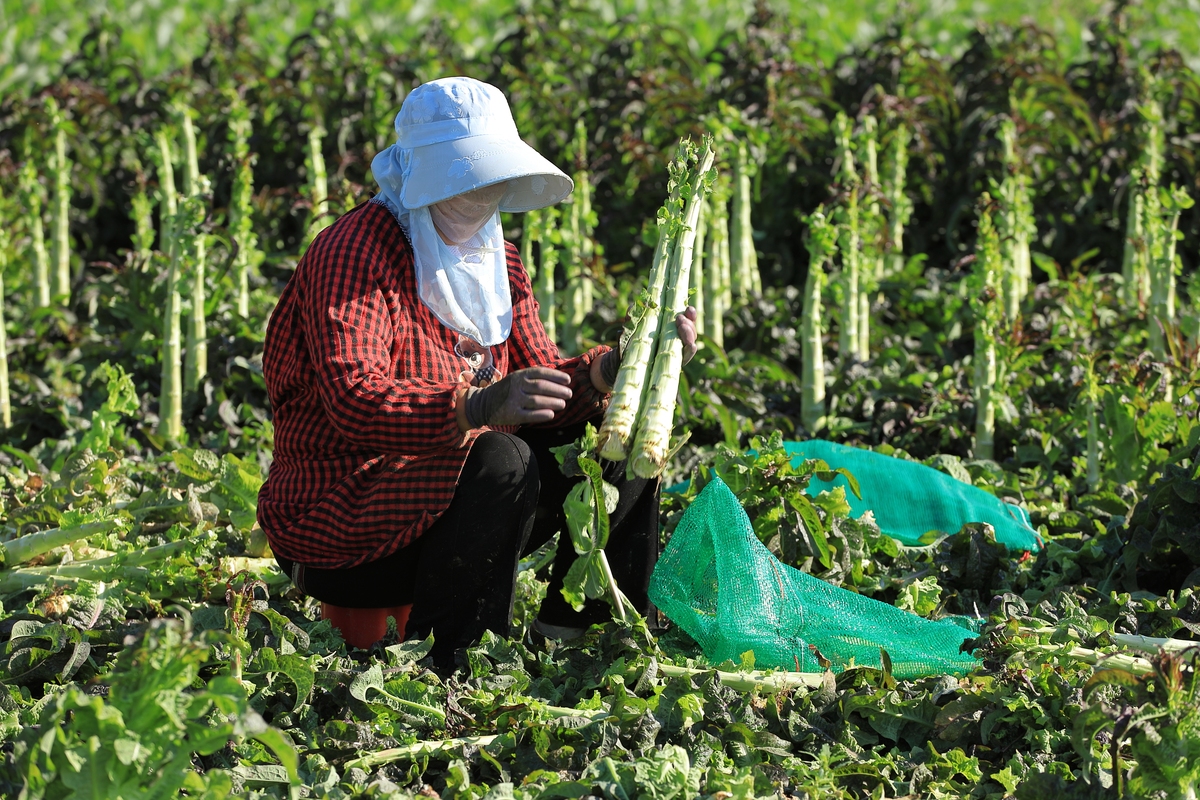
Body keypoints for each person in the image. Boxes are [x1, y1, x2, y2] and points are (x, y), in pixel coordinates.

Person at [257, 76, 697, 670]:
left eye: (488, 177)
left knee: (617, 444)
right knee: (499, 456)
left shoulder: (499, 260)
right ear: (423, 172)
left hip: (448, 511)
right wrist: (475, 407)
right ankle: (456, 664)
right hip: (346, 518)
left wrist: (611, 373)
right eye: (464, 176)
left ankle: (580, 641)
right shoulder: (354, 251)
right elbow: (354, 400)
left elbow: (541, 388)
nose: (480, 191)